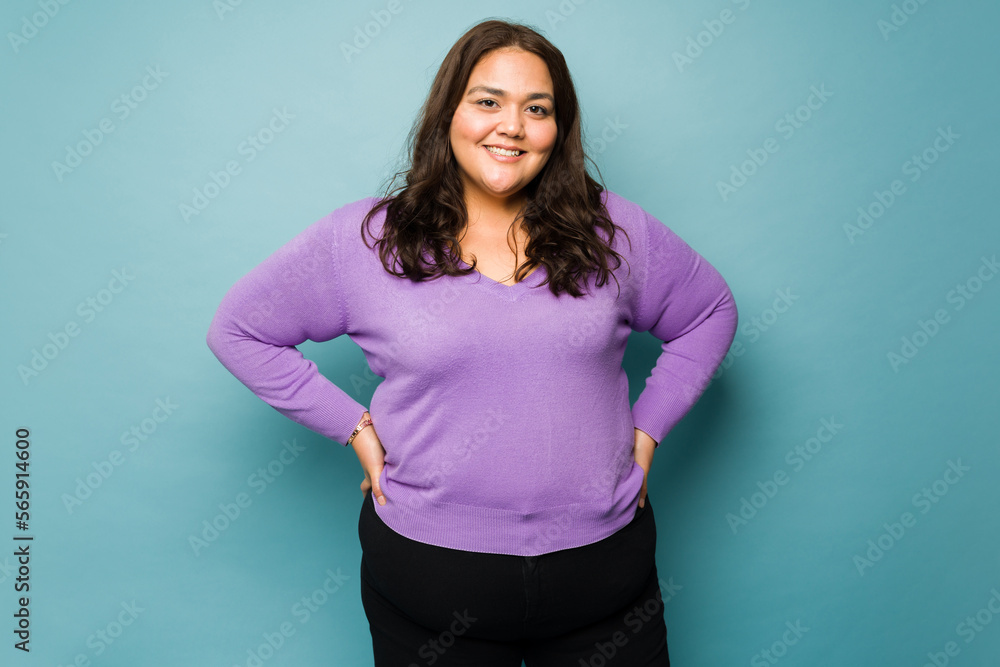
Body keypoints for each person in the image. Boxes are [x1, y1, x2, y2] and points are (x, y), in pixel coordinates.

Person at [206, 18, 738, 666]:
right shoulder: (366, 240)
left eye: (536, 109)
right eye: (488, 101)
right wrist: (355, 427)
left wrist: (647, 430)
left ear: (558, 129)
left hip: (605, 584)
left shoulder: (615, 231)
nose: (510, 126)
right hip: (428, 588)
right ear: (448, 113)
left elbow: (709, 310)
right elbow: (239, 329)